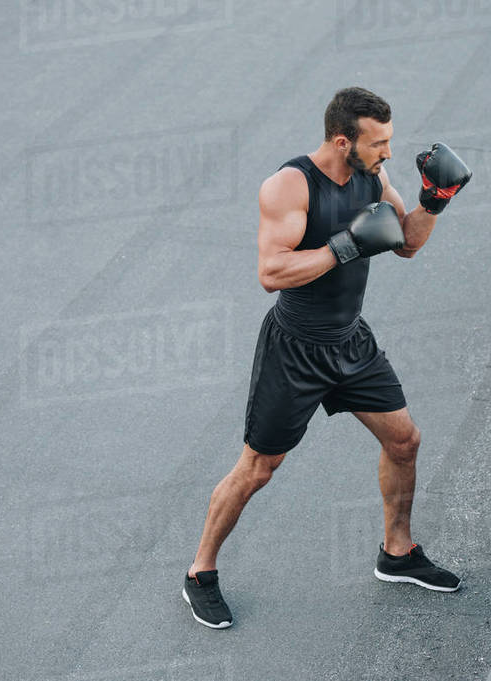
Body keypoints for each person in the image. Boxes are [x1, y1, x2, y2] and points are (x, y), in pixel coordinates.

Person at [182, 87, 472, 629]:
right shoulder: (289, 186)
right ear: (343, 141)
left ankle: (398, 552)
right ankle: (200, 572)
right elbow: (271, 274)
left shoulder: (373, 177)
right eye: (378, 143)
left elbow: (405, 244)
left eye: (389, 141)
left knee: (404, 440)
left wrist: (436, 200)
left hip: (351, 342)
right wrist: (344, 246)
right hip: (294, 350)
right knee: (259, 468)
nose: (388, 152)